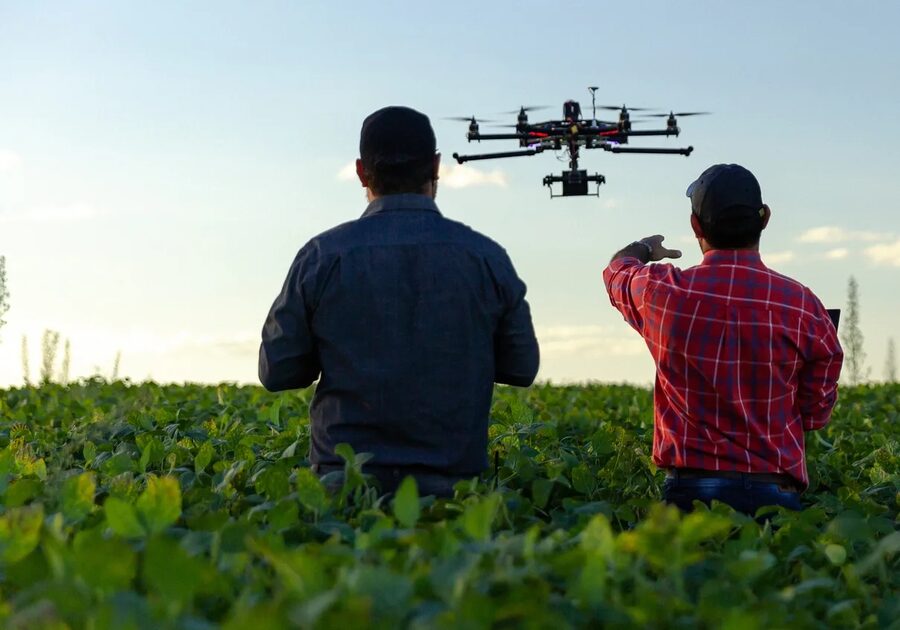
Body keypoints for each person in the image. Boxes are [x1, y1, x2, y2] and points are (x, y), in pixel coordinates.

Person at [259, 106, 540, 497]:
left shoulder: (322, 256)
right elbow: (522, 368)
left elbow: (277, 371)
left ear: (361, 171)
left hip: (344, 488)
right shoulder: (486, 258)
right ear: (436, 167)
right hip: (453, 495)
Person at [603, 163, 843, 516]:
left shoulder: (662, 292)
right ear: (765, 219)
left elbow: (616, 271)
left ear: (695, 226)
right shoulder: (805, 306)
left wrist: (643, 248)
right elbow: (814, 414)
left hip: (689, 494)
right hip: (775, 495)